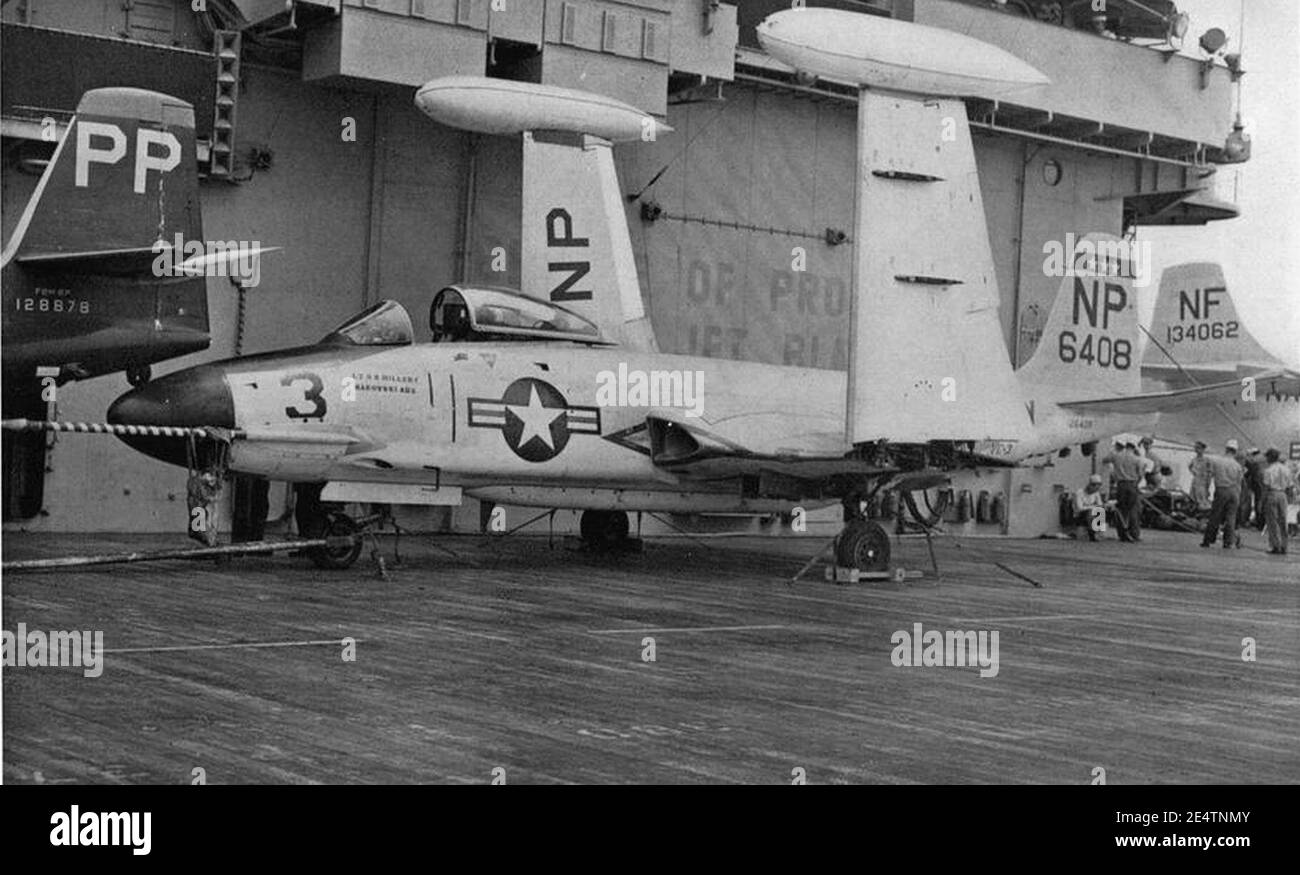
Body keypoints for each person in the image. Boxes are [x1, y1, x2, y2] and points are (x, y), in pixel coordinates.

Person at [1201, 439, 1245, 549]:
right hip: (1234, 492)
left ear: (1226, 449)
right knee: (1231, 517)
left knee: (1215, 515)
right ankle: (1228, 542)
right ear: (1235, 451)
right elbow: (1239, 482)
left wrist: (1206, 490)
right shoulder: (1237, 466)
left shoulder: (1217, 462)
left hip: (1221, 490)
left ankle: (1208, 540)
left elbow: (1209, 476)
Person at [1102, 440, 1145, 542]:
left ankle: (1122, 534)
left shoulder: (1116, 455)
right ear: (1134, 448)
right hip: (1132, 484)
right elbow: (1140, 474)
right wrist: (1136, 483)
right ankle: (1134, 534)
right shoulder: (1137, 459)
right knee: (1133, 510)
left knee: (1121, 510)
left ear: (1125, 446)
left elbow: (1105, 460)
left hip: (1120, 485)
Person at [1260, 448, 1294, 555]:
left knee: (1272, 521)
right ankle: (1284, 546)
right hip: (1283, 495)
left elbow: (1265, 487)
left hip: (1272, 494)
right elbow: (1290, 486)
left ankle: (1275, 546)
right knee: (1283, 521)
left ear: (1270, 457)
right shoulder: (1286, 469)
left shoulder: (1268, 470)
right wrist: (1290, 498)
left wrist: (1262, 501)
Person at [1072, 474, 1111, 541]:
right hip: (1080, 515)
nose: (1095, 491)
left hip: (1092, 514)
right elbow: (1079, 508)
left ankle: (1098, 533)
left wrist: (1104, 506)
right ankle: (1092, 532)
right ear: (1090, 485)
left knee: (1100, 511)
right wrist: (1093, 507)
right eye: (1095, 488)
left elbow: (1100, 505)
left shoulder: (1096, 493)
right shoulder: (1079, 493)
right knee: (1091, 512)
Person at [1238, 447, 1263, 529]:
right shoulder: (1261, 461)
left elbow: (1249, 471)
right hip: (1260, 487)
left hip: (1257, 487)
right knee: (1259, 504)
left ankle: (1259, 523)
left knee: (1257, 504)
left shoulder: (1255, 462)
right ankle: (1259, 522)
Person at [1189, 441, 1212, 510]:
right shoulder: (1194, 459)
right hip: (1195, 481)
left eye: (1198, 448)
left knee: (1202, 500)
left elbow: (1210, 473)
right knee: (1193, 499)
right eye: (1196, 448)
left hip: (1202, 483)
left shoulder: (1207, 460)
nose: (1197, 450)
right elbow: (1190, 466)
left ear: (1203, 449)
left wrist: (1208, 485)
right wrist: (1194, 472)